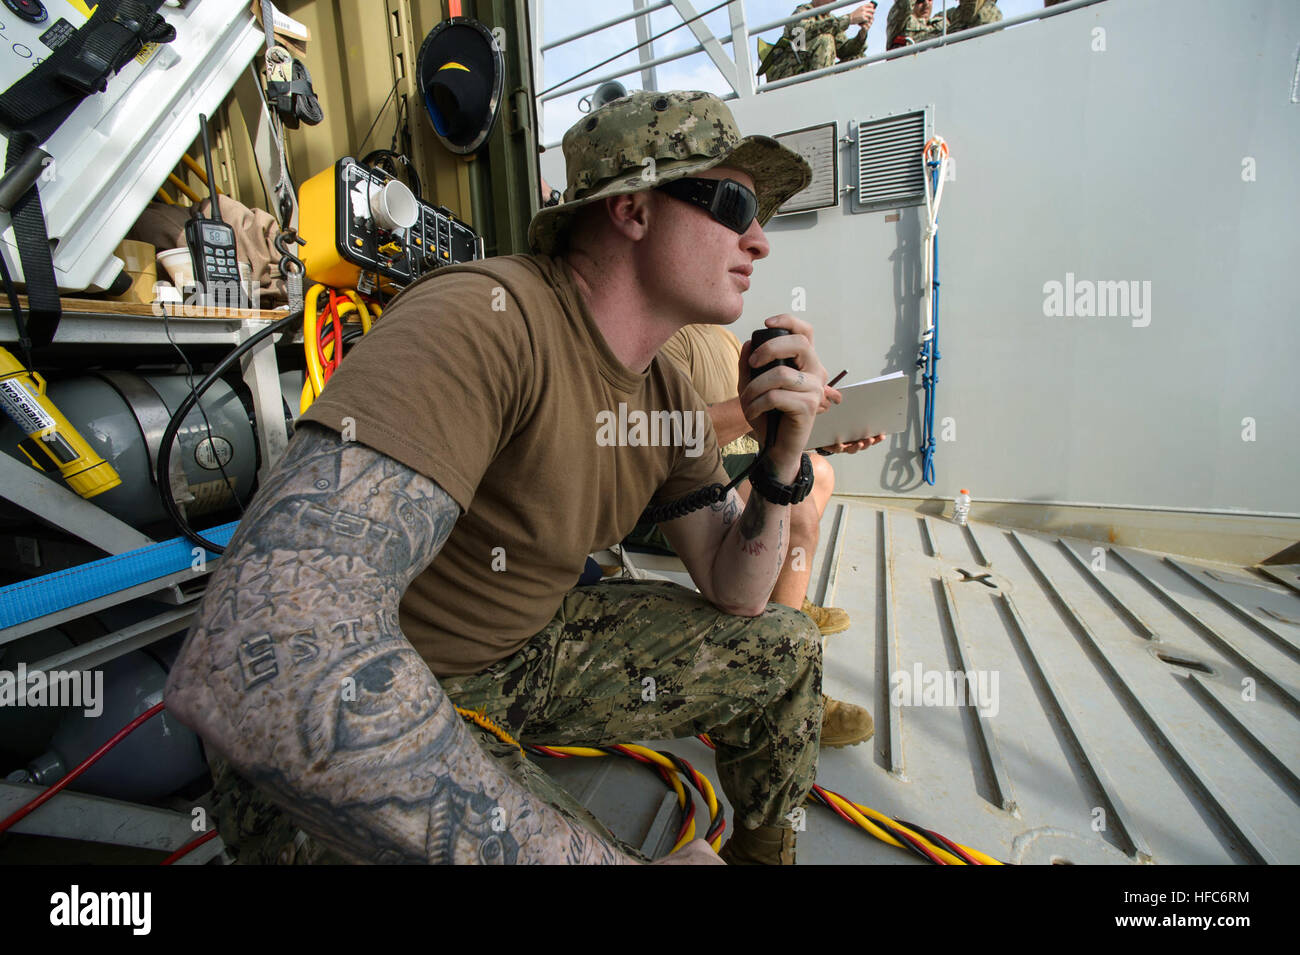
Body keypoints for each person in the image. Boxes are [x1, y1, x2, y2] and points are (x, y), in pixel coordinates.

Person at [164, 89, 871, 866]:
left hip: (522, 656)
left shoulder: (665, 393)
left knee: (785, 644)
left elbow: (737, 592)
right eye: (734, 202)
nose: (760, 240)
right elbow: (266, 654)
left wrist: (779, 462)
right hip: (387, 703)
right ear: (632, 209)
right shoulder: (483, 321)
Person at [648, 323, 884, 642]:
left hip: (739, 460)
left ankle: (787, 599)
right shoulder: (672, 338)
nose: (750, 270)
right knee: (797, 510)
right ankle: (780, 653)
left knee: (821, 471)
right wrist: (768, 403)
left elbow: (756, 432)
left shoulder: (728, 340)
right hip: (683, 489)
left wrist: (824, 431)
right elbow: (675, 439)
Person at [761, 0, 877, 82]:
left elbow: (844, 50)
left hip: (818, 74)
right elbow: (802, 33)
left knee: (858, 59)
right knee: (825, 40)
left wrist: (862, 33)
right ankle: (820, 91)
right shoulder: (802, 12)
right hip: (792, 73)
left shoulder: (829, 19)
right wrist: (849, 19)